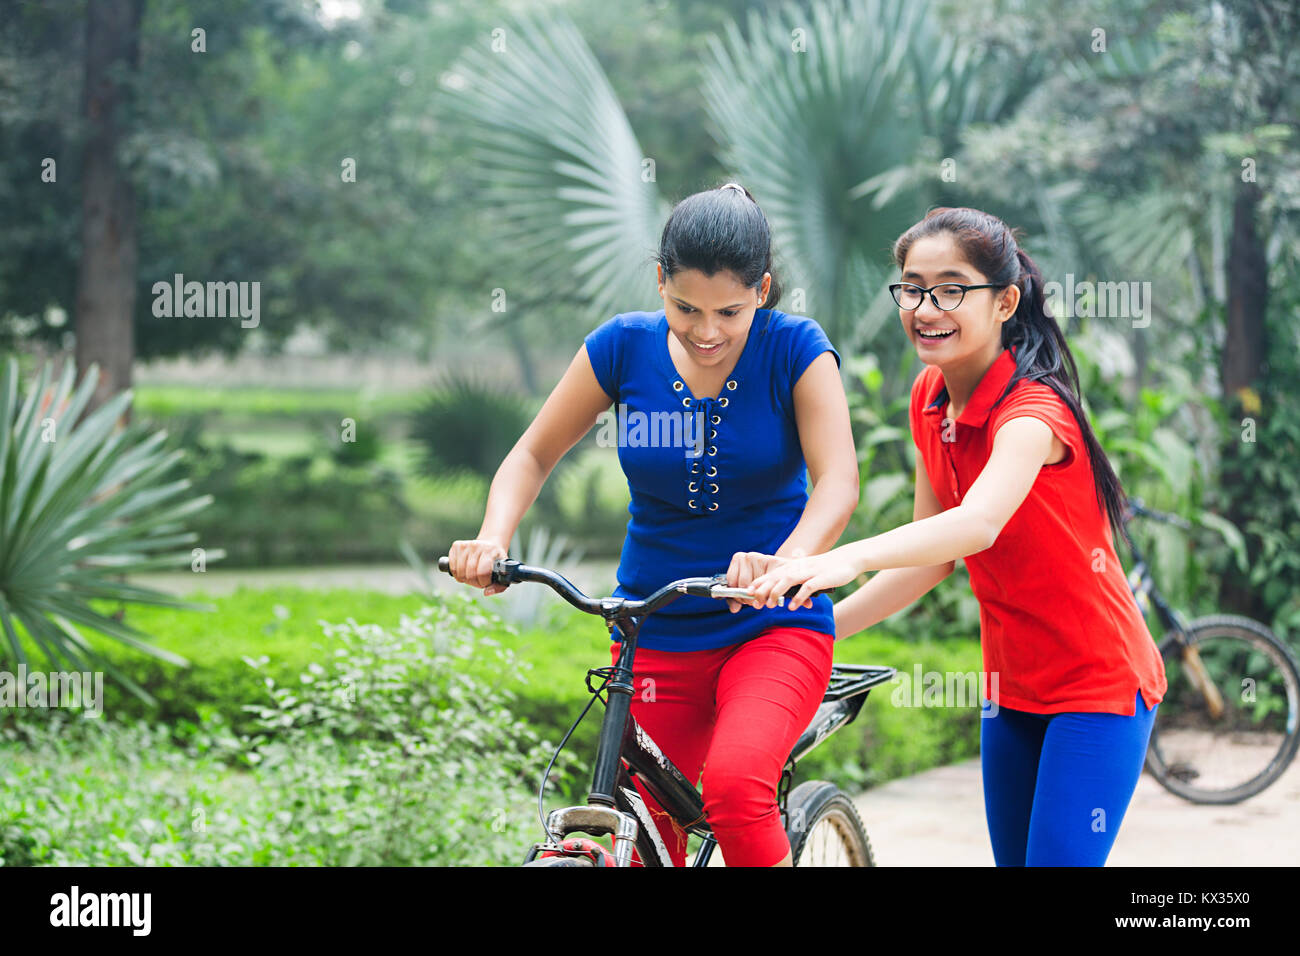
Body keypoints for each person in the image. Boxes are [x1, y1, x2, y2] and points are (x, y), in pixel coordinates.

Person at [738, 206, 1168, 867]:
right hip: (1012, 689)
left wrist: (841, 559)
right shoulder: (930, 398)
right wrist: (819, 633)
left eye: (951, 288)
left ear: (1004, 301)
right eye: (912, 287)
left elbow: (977, 523)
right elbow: (933, 557)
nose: (926, 306)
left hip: (1098, 687)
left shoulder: (1034, 413)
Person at [447, 183, 859, 867]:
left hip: (771, 625)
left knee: (733, 789)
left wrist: (788, 563)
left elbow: (838, 481)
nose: (706, 331)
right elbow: (532, 452)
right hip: (651, 628)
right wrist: (494, 535)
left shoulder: (795, 349)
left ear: (762, 289)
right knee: (630, 831)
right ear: (660, 281)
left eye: (729, 310)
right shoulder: (621, 348)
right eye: (685, 307)